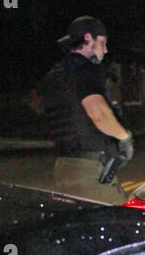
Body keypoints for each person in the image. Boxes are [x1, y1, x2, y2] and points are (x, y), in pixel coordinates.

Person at [41, 15, 134, 205]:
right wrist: (125, 139)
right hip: (90, 171)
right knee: (121, 223)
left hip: (64, 167)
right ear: (88, 38)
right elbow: (99, 114)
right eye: (103, 43)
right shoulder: (85, 69)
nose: (105, 50)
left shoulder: (56, 73)